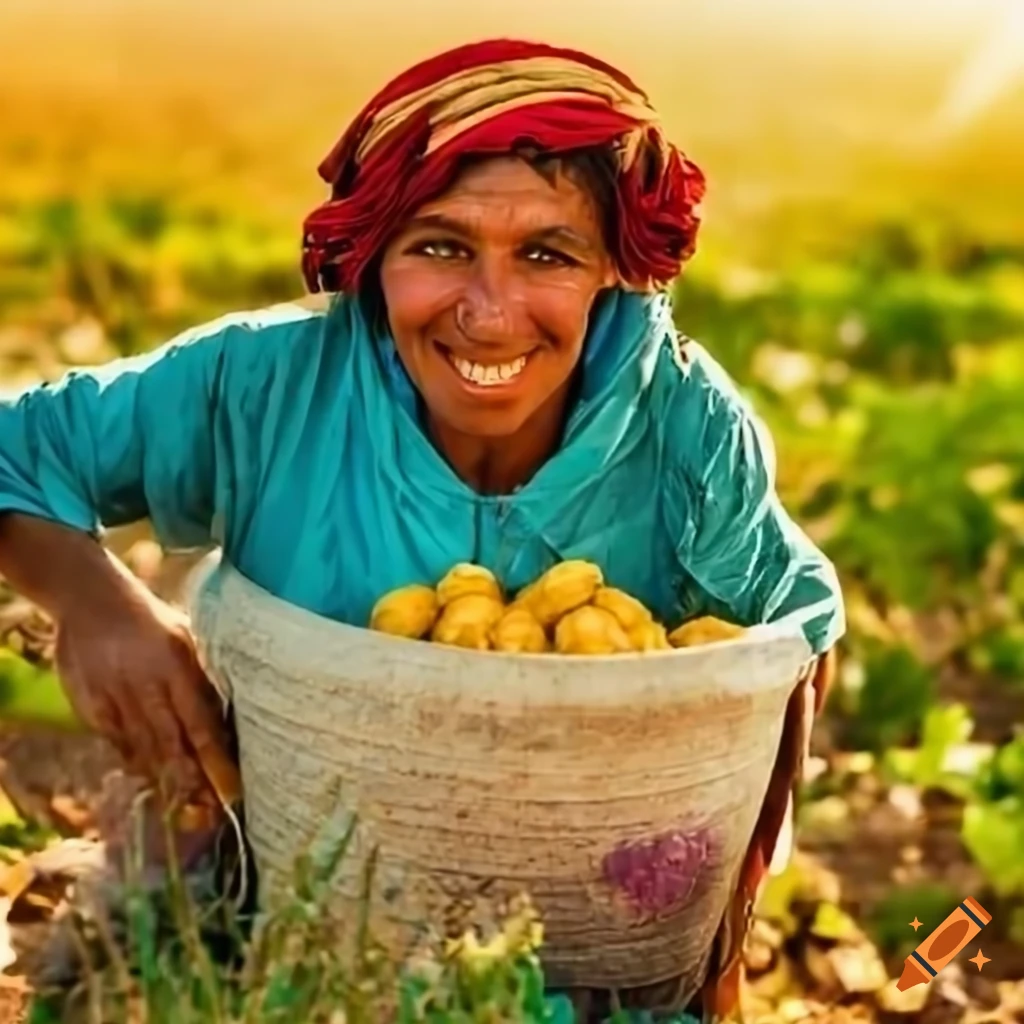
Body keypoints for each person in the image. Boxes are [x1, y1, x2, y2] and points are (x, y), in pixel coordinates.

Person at [0, 38, 845, 1021]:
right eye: (439, 247)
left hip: (575, 946)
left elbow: (791, 647)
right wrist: (100, 609)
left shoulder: (688, 431)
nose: (488, 316)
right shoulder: (267, 384)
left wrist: (713, 961)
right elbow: (18, 449)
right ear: (375, 256)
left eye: (546, 254)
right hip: (284, 916)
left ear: (612, 267)